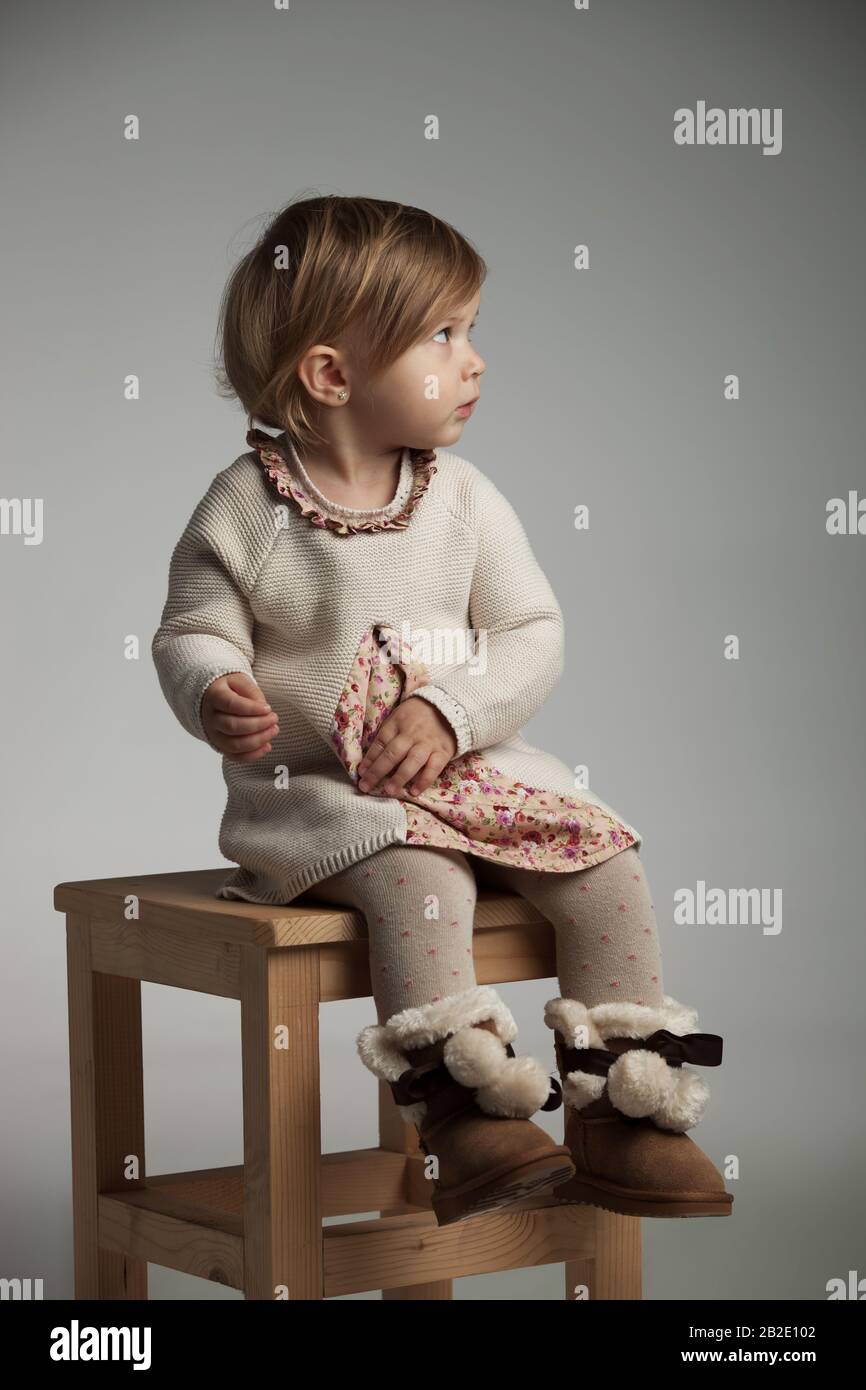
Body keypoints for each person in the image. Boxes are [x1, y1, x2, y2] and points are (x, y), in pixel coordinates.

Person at [152, 194, 732, 1227]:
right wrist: (212, 687)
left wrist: (455, 710)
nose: (473, 360)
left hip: (472, 768)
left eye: (469, 332)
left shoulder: (460, 497)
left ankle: (620, 1110)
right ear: (330, 376)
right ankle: (461, 1112)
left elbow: (530, 630)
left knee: (605, 861)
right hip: (327, 793)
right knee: (420, 878)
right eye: (442, 335)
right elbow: (192, 628)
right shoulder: (248, 507)